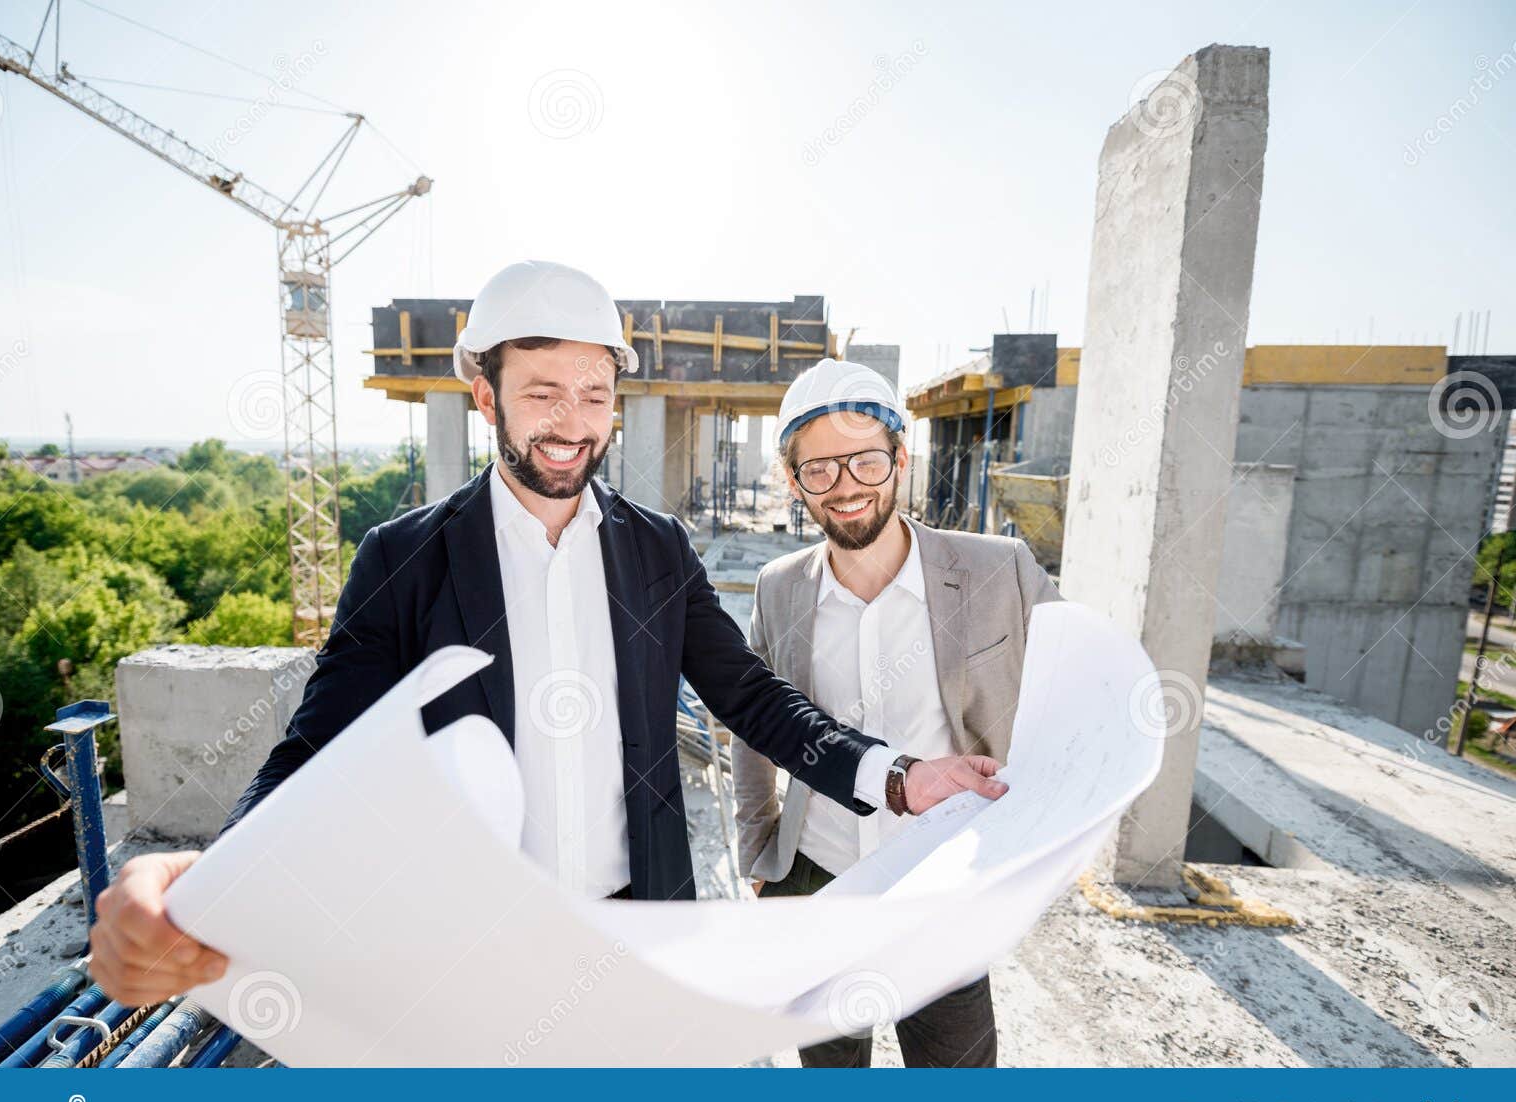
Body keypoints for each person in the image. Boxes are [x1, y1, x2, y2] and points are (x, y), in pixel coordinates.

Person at [90, 261, 1009, 1006]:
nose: (572, 423)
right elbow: (322, 739)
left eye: (594, 394)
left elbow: (749, 697)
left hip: (639, 932)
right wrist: (215, 878)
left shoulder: (655, 550)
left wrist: (896, 774)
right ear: (484, 395)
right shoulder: (403, 560)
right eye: (541, 393)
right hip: (474, 943)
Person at [733, 358, 1061, 1068]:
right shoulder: (779, 587)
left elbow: (1074, 686)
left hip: (942, 887)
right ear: (794, 483)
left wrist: (1043, 831)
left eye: (865, 462)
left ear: (900, 460)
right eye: (819, 470)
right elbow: (752, 722)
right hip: (816, 877)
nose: (845, 486)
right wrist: (759, 850)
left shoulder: (997, 570)